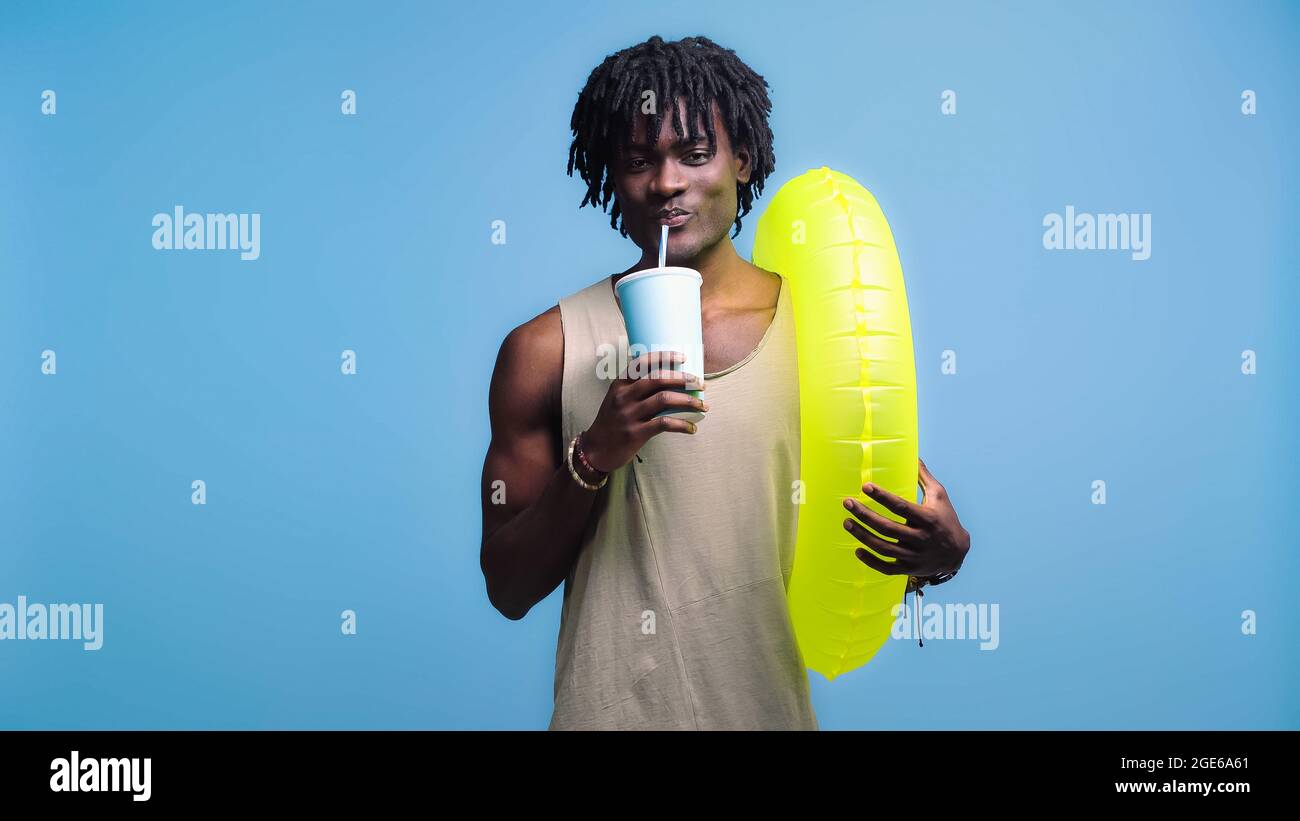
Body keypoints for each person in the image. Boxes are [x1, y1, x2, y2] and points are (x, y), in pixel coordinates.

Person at [479, 34, 971, 730]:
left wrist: (937, 557)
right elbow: (506, 585)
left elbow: (867, 517)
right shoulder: (543, 349)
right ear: (609, 176)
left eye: (694, 153)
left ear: (741, 157)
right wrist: (593, 456)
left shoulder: (820, 331)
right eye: (639, 160)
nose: (667, 183)